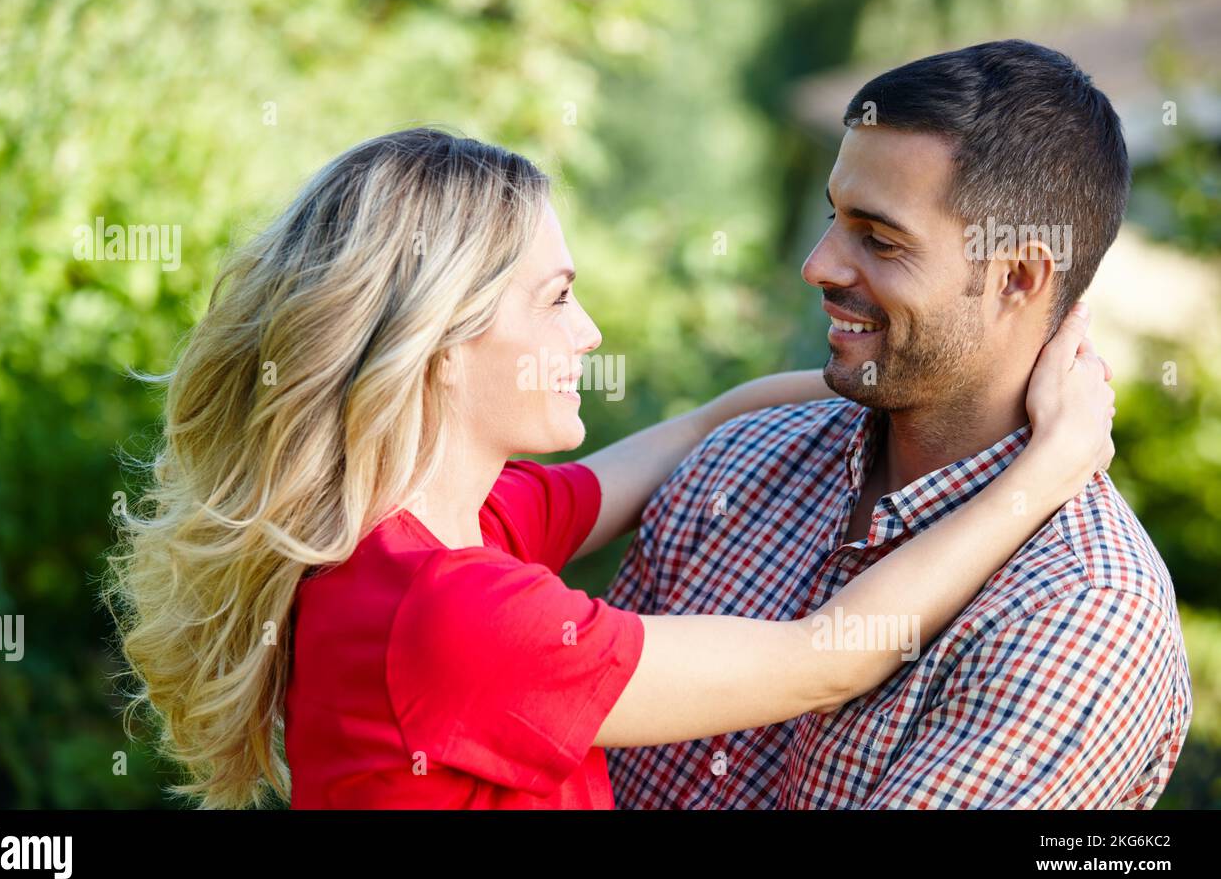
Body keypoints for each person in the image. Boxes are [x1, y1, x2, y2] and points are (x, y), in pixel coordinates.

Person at [106, 126, 1114, 809]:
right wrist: (1051, 461)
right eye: (554, 299)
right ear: (438, 343)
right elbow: (827, 657)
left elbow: (686, 431)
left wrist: (884, 363)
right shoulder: (459, 615)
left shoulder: (428, 531)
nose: (588, 333)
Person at [605, 40, 1192, 810]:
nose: (818, 265)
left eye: (878, 239)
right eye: (834, 219)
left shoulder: (1080, 616)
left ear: (1016, 277)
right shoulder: (736, 463)